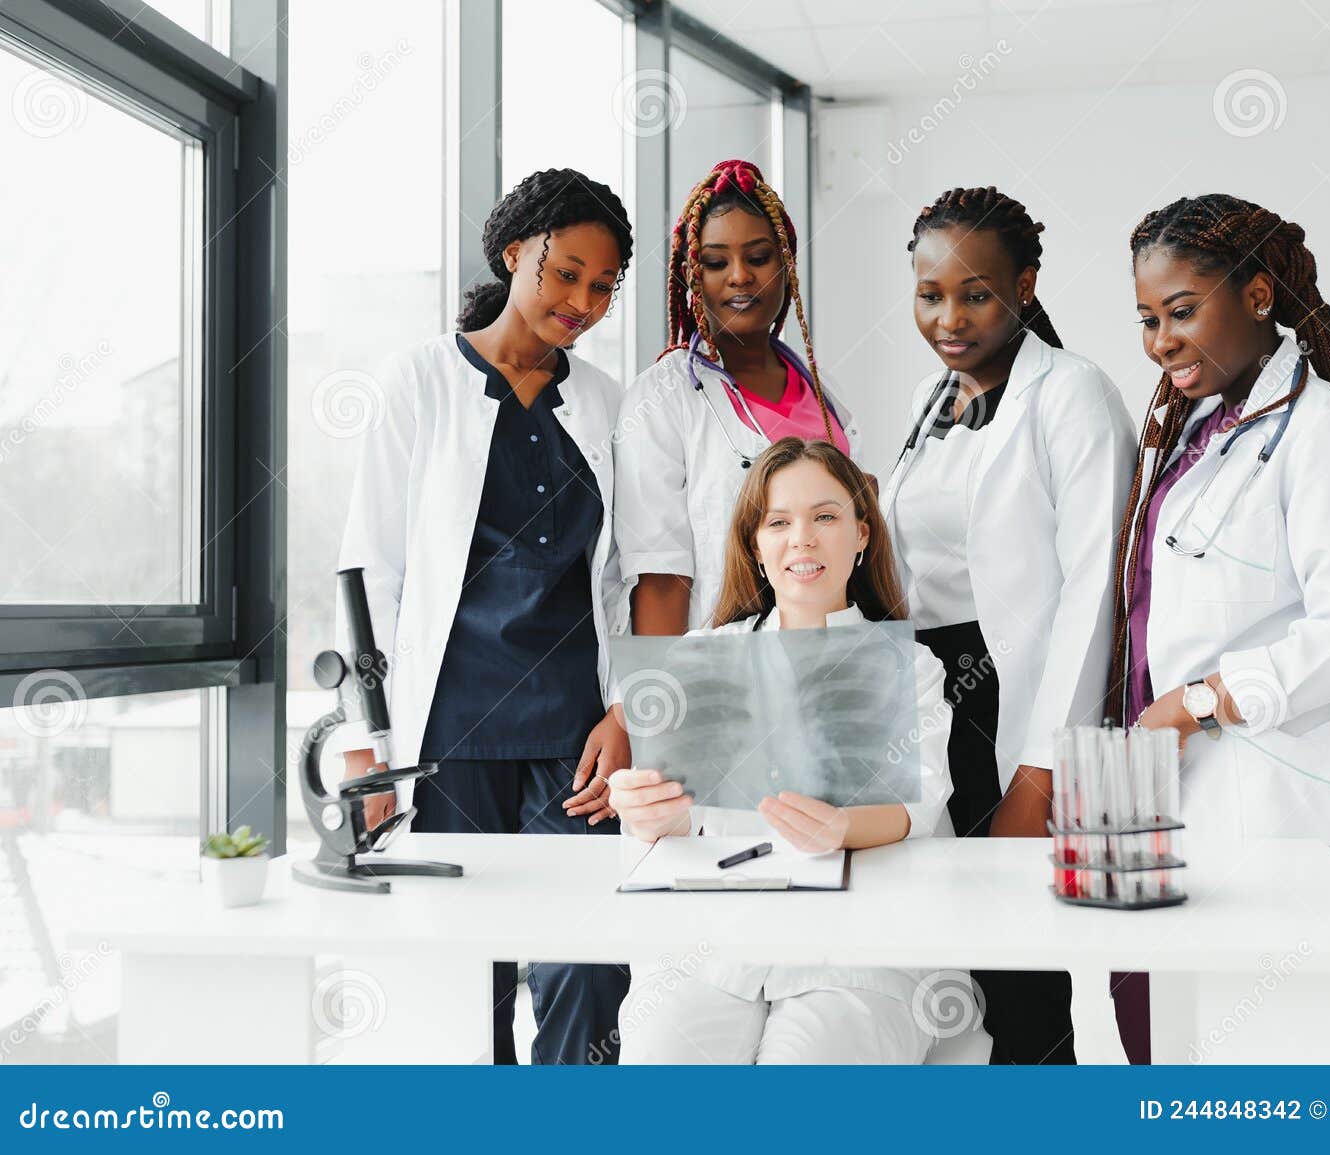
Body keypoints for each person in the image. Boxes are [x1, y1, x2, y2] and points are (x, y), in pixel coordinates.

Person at [1109, 193, 1330, 1060]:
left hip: (1283, 787)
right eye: (1148, 319)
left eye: (1182, 311)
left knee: (1291, 1061)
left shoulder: (1325, 430)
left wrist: (1195, 703)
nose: (1161, 341)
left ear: (1257, 295)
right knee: (1185, 1055)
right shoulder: (1201, 432)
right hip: (1188, 790)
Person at [336, 168, 635, 1065]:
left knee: (585, 968)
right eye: (565, 272)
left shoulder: (607, 404)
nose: (581, 301)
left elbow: (623, 577)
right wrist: (366, 748)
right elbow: (370, 568)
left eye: (602, 286)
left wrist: (632, 709)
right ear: (515, 252)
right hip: (447, 732)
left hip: (573, 739)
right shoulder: (420, 381)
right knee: (465, 977)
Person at [879, 186, 1136, 1064]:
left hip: (1011, 695)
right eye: (929, 293)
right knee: (948, 960)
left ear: (1024, 286)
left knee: (1020, 965)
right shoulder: (930, 396)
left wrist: (1040, 768)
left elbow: (1092, 589)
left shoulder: (1073, 396)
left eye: (976, 293)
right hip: (929, 689)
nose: (949, 316)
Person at [608, 438, 958, 1063]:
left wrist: (844, 826)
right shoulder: (697, 658)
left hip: (859, 944)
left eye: (825, 516)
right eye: (778, 522)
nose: (802, 538)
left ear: (861, 535)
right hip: (714, 940)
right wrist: (648, 814)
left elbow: (921, 803)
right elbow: (680, 814)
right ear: (756, 547)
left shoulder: (908, 665)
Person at [614, 159, 860, 636]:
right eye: (715, 262)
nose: (740, 276)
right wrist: (663, 700)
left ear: (786, 264)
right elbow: (661, 576)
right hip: (725, 670)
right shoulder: (665, 398)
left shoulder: (824, 392)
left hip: (838, 661)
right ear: (692, 276)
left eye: (759, 257)